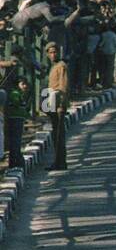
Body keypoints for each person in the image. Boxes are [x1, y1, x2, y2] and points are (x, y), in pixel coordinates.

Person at [43, 43, 69, 171]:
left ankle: (60, 162)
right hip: (52, 102)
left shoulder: (61, 66)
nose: (53, 55)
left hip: (58, 103)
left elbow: (63, 87)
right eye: (50, 52)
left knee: (59, 135)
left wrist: (61, 106)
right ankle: (58, 161)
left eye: (55, 52)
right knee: (56, 134)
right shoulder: (53, 66)